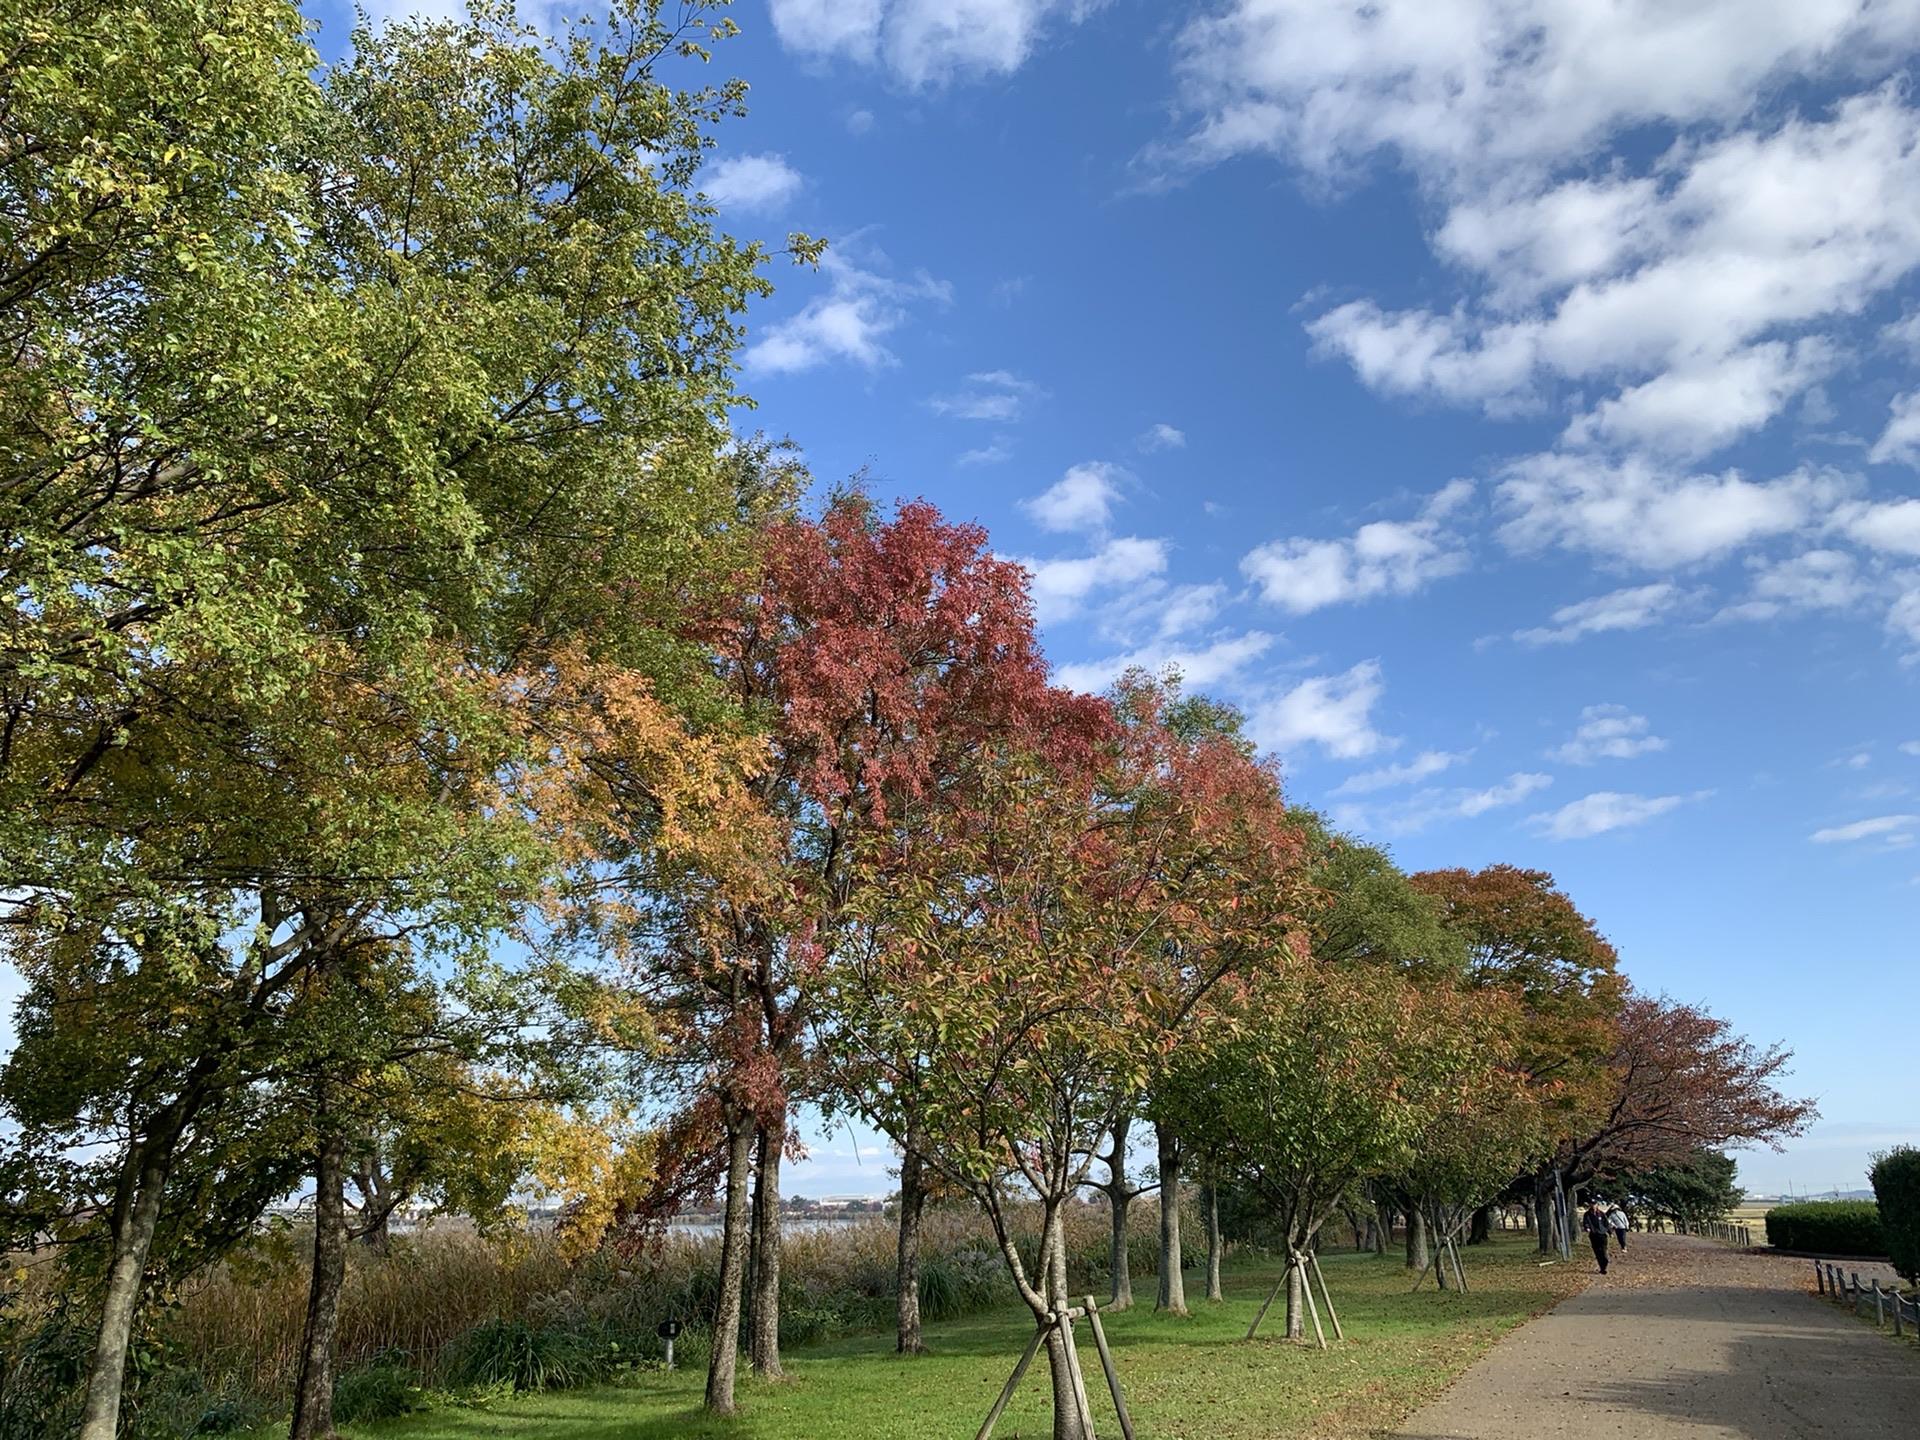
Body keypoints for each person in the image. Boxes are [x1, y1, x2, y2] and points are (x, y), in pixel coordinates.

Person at [1582, 1199, 1611, 1273]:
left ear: (1597, 1205)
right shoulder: (1587, 1214)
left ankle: (1605, 1261)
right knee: (1597, 1252)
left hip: (1602, 1234)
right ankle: (1602, 1268)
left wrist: (1609, 1232)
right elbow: (1585, 1223)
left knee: (1603, 1250)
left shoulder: (1601, 1213)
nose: (1593, 1205)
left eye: (1594, 1204)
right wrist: (1587, 1228)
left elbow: (1606, 1223)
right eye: (1591, 1204)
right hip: (1594, 1235)